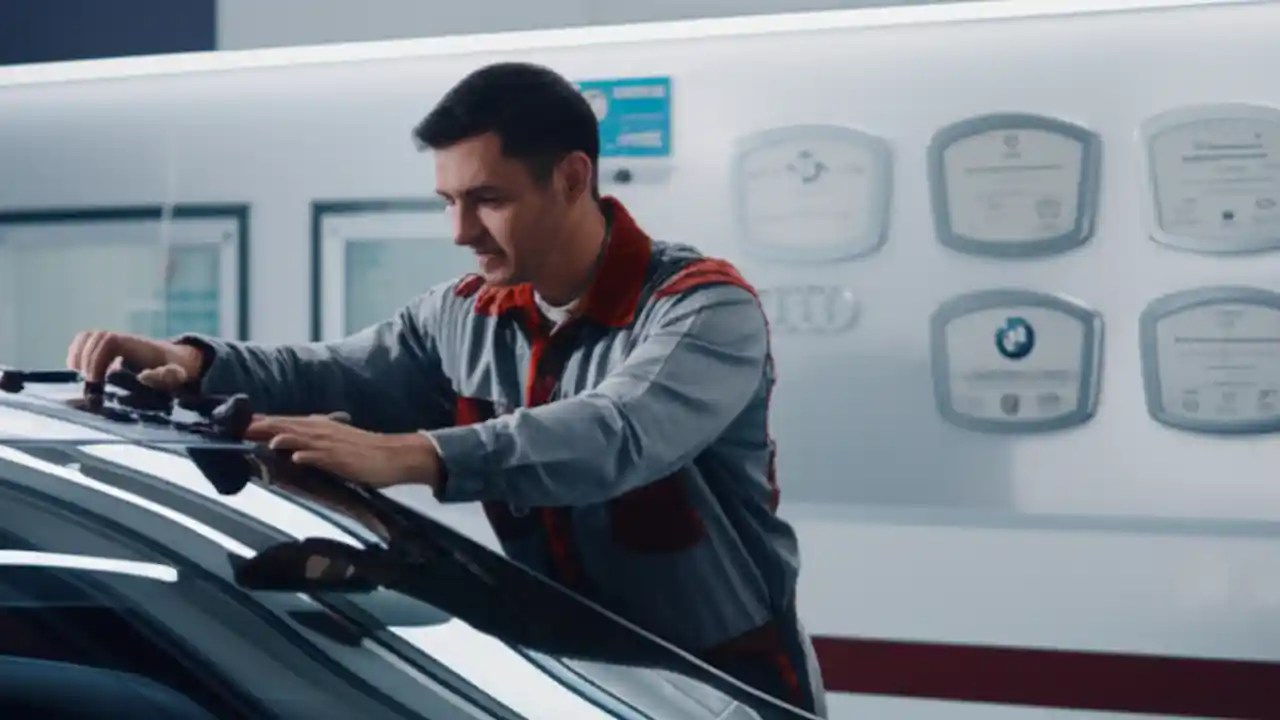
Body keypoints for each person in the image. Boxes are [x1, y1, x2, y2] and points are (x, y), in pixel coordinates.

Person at [65, 61, 826, 716]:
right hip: (575, 678)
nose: (460, 231)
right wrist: (196, 361)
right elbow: (332, 371)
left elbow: (617, 433)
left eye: (487, 199)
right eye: (448, 202)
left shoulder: (702, 309)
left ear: (571, 178)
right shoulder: (465, 315)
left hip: (728, 685)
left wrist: (415, 455)